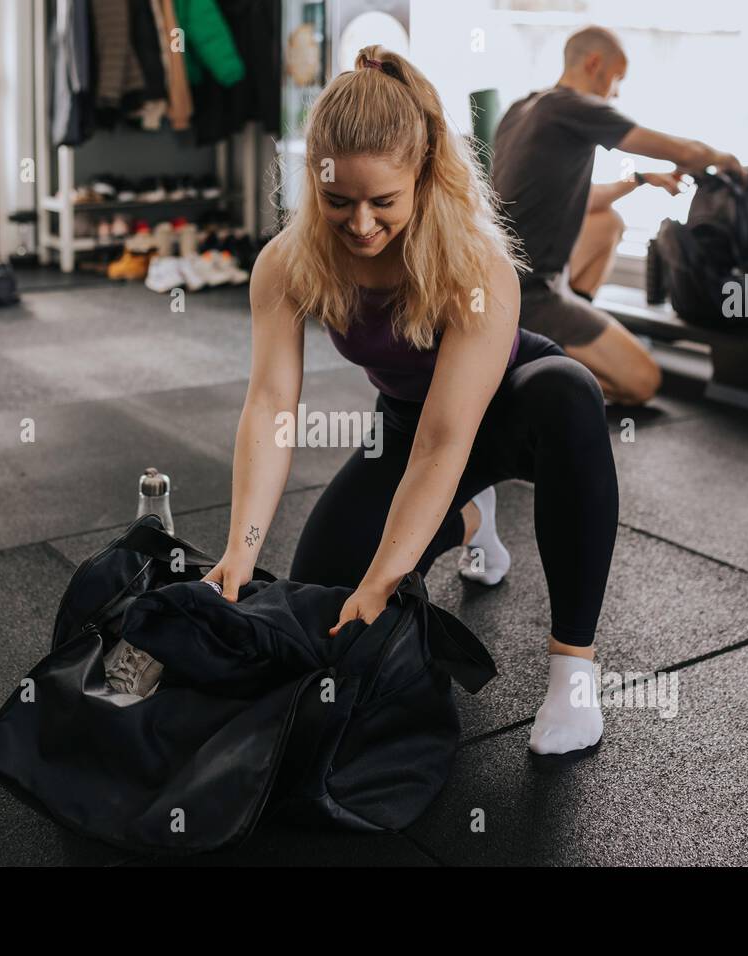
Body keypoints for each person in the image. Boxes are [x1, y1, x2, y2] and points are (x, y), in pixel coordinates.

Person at [186, 45, 620, 758]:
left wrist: (392, 574)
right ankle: (475, 514)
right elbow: (270, 404)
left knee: (571, 394)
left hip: (508, 412)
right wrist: (242, 546)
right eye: (338, 201)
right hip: (406, 426)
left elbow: (447, 441)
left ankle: (574, 673)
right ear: (314, 180)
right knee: (326, 591)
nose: (359, 224)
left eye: (383, 202)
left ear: (422, 175)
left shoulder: (475, 263)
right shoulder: (289, 262)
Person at [493, 25, 747, 405]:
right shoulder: (574, 107)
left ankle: (543, 349)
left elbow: (575, 200)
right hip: (529, 295)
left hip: (499, 282)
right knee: (644, 381)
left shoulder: (523, 108)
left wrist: (641, 180)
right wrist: (722, 159)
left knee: (608, 223)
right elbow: (681, 150)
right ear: (595, 64)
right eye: (617, 78)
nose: (617, 91)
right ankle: (533, 375)